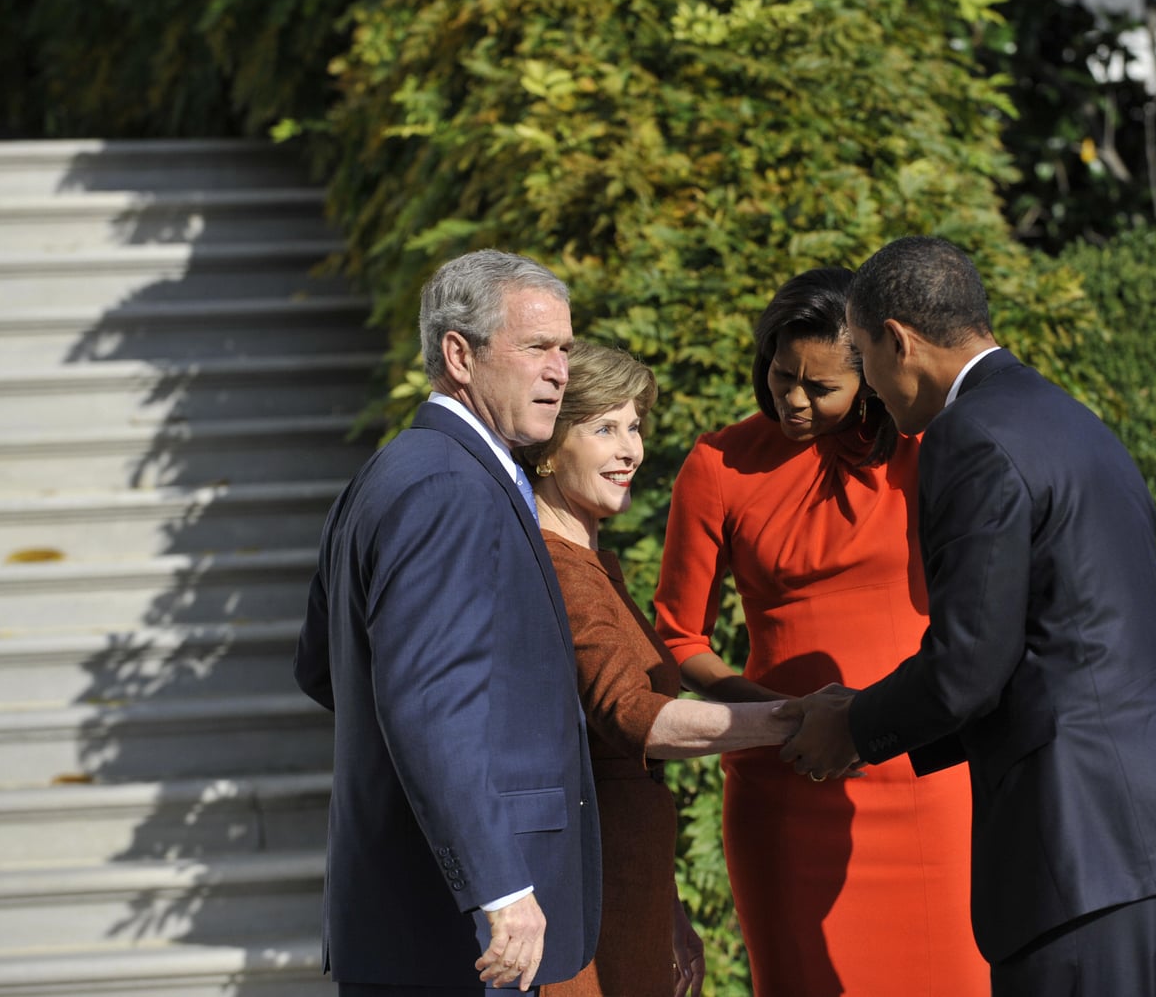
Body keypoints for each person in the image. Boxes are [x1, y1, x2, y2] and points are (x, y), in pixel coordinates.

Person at [781, 235, 1156, 997]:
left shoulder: (967, 438)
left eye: (865, 356)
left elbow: (971, 664)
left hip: (1084, 839)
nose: (869, 386)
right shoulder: (1072, 419)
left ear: (898, 342)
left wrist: (854, 726)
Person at [653, 268, 991, 996]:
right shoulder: (717, 464)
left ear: (869, 377)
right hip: (787, 778)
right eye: (782, 376)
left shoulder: (926, 450)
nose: (794, 399)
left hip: (923, 780)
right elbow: (679, 637)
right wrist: (779, 716)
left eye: (821, 387)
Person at [295, 249, 599, 995]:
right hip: (460, 936)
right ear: (459, 356)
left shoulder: (399, 469)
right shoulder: (446, 486)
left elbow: (322, 670)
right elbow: (429, 703)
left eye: (565, 348)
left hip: (422, 927)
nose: (560, 370)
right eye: (536, 348)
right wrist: (499, 888)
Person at [517, 342, 800, 997]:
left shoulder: (591, 560)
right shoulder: (559, 568)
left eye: (635, 426)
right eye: (605, 428)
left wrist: (669, 912)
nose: (631, 450)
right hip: (587, 901)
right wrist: (792, 720)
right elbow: (636, 719)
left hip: (628, 891)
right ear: (551, 447)